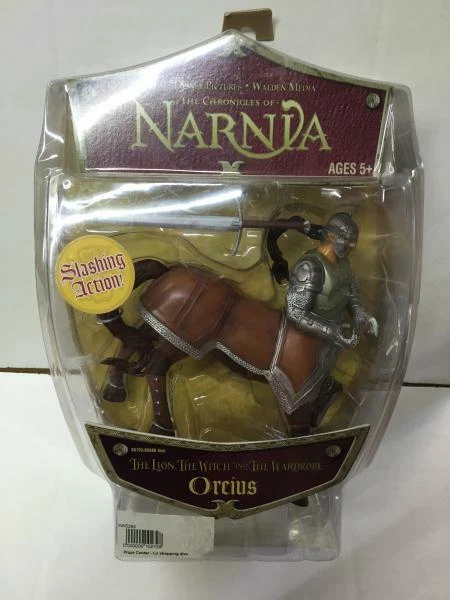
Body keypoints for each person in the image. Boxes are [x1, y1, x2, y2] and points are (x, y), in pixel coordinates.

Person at [284, 212, 378, 425]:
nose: (352, 247)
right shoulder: (310, 267)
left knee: (321, 384)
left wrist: (360, 315)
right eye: (349, 241)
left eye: (354, 242)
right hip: (306, 343)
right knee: (301, 395)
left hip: (330, 343)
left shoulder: (343, 264)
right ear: (332, 236)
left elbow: (351, 293)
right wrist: (332, 332)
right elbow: (295, 312)